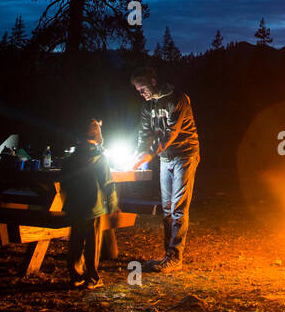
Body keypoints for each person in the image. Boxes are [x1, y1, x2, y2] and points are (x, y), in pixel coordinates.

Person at [131, 67, 200, 272]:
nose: (140, 93)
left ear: (153, 81)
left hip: (185, 154)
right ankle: (167, 256)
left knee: (179, 208)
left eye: (142, 88)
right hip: (165, 158)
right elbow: (144, 133)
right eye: (137, 90)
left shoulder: (178, 99)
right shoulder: (146, 106)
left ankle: (175, 257)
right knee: (167, 208)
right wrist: (138, 154)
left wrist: (149, 154)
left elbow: (171, 132)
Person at [60, 118, 119, 291]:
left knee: (76, 242)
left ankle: (75, 276)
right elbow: (108, 183)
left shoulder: (71, 159)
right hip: (94, 207)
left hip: (75, 207)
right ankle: (92, 277)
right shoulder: (100, 158)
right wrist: (113, 205)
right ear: (98, 137)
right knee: (93, 243)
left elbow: (64, 182)